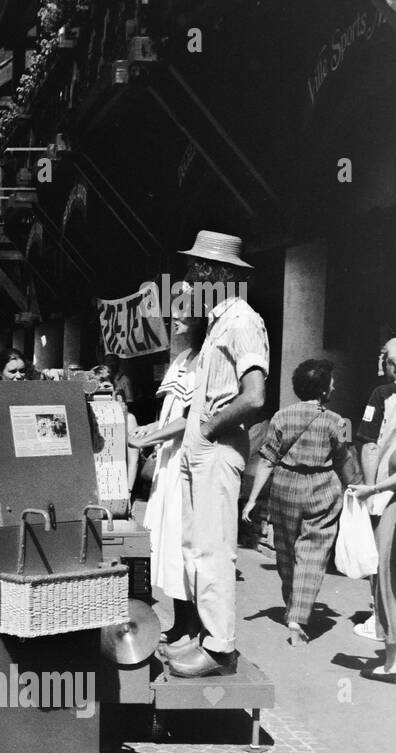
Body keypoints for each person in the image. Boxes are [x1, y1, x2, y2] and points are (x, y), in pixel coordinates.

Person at [163, 230, 268, 678]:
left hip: (218, 448)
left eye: (193, 270)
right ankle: (207, 639)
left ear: (213, 274)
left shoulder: (243, 320)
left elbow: (255, 395)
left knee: (214, 549)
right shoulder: (218, 324)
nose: (187, 279)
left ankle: (221, 649)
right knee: (195, 547)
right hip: (201, 449)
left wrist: (207, 428)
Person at [241, 360, 357, 645]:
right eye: (331, 382)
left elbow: (268, 459)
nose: (334, 385)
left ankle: (292, 604)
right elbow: (345, 460)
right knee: (313, 553)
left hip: (285, 487)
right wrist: (354, 485)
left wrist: (252, 499)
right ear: (322, 391)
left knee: (285, 550)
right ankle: (297, 616)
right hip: (322, 489)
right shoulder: (339, 422)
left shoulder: (281, 417)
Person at [128, 304, 204, 644]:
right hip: (167, 462)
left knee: (183, 543)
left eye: (184, 313)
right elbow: (169, 414)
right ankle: (179, 622)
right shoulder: (183, 356)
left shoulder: (205, 360)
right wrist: (146, 430)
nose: (176, 319)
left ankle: (193, 627)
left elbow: (188, 420)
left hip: (186, 462)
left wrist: (153, 437)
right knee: (168, 544)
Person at [350, 337, 396, 641]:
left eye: (387, 358)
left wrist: (369, 489)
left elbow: (368, 442)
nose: (383, 363)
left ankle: (382, 624)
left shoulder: (382, 394)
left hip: (385, 490)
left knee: (381, 558)